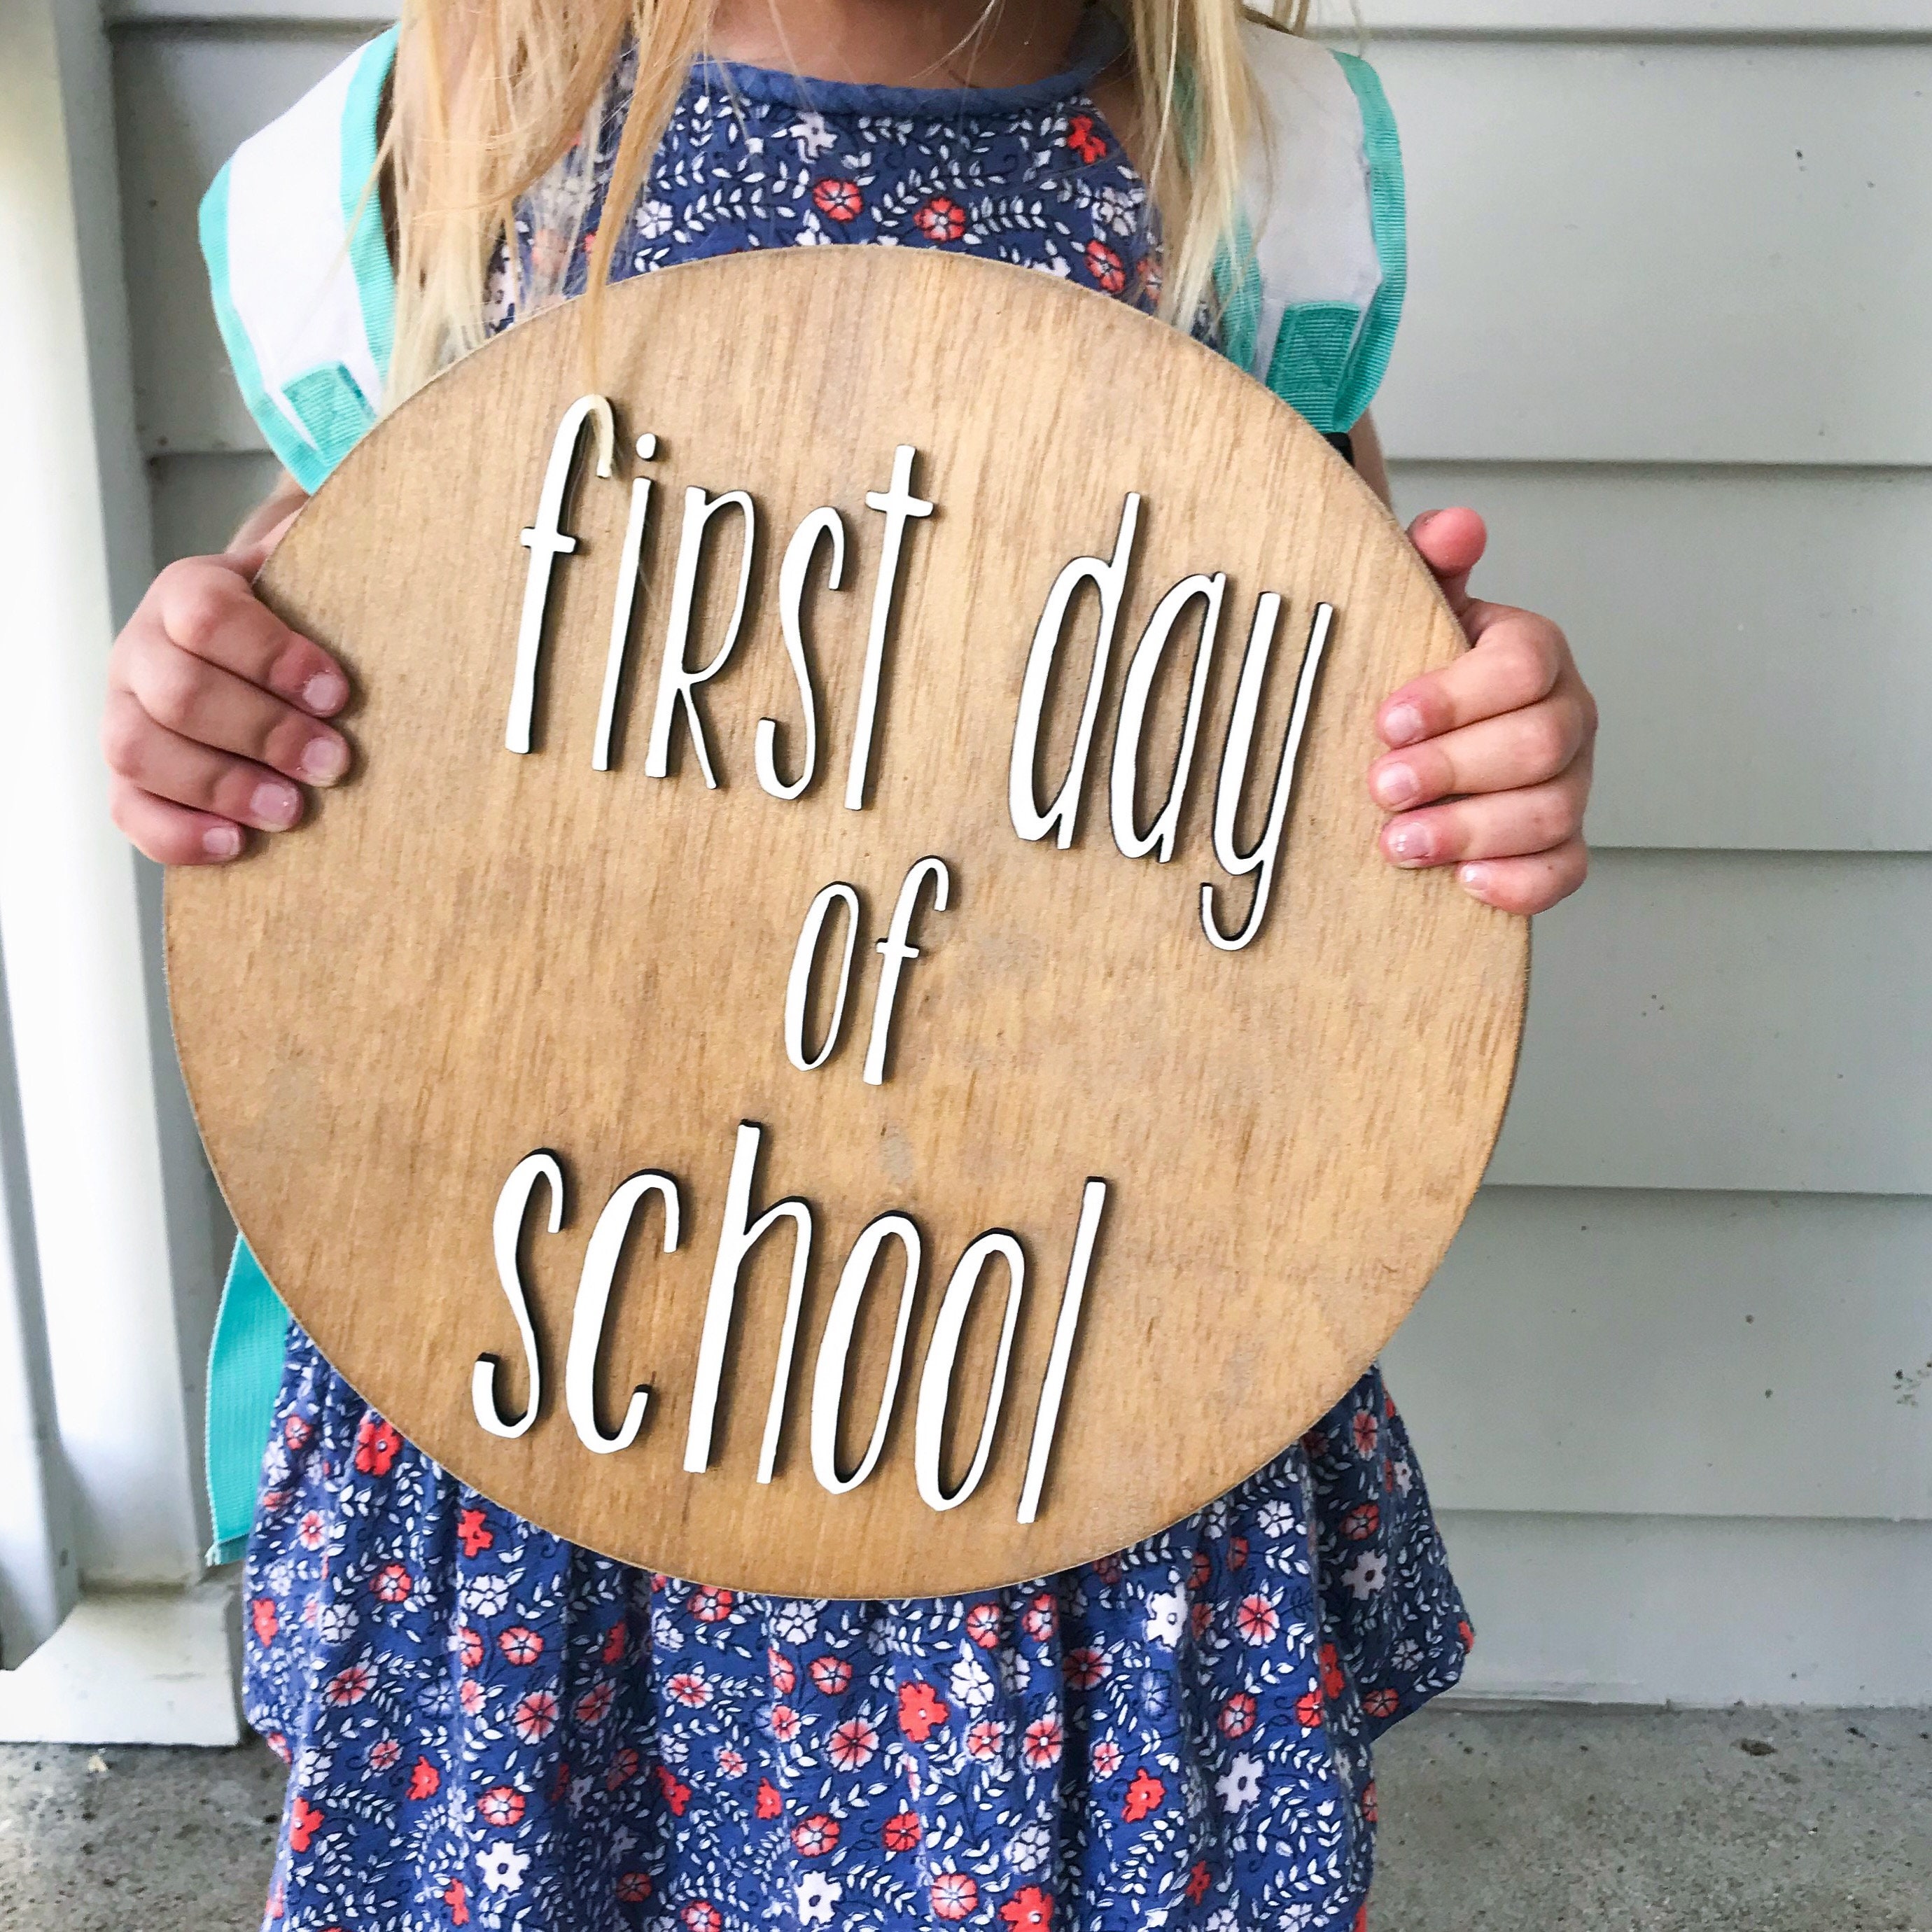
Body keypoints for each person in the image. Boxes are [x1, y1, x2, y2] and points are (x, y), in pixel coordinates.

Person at [103, 4, 1596, 1926]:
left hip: (1055, 1366)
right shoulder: (440, 135)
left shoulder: (1243, 163)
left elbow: (1313, 714)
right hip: (563, 1335)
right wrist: (210, 696)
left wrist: (1468, 759)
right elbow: (344, 600)